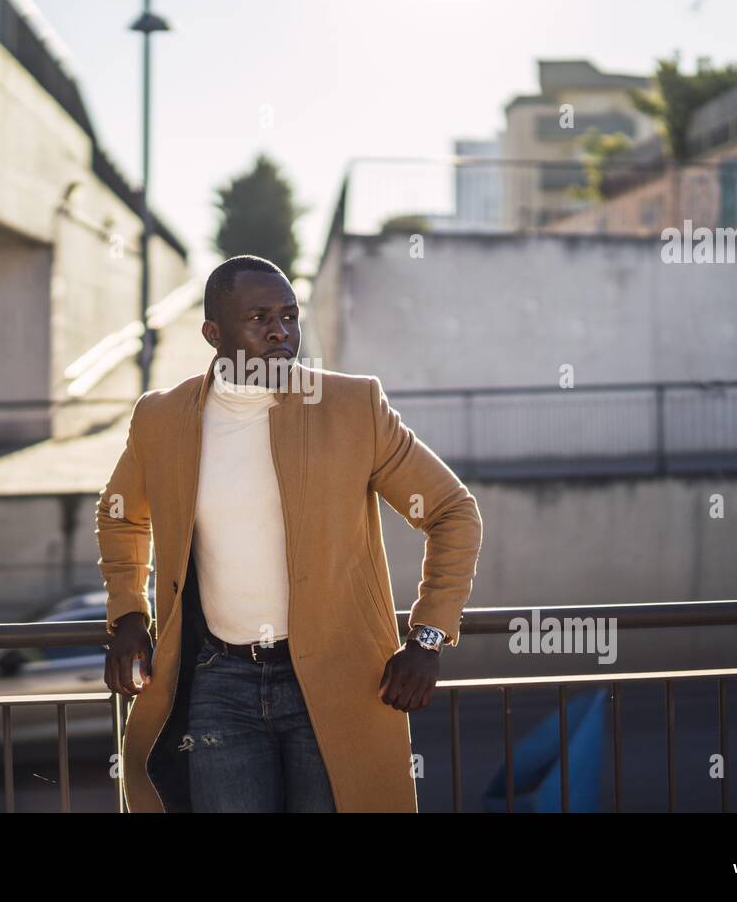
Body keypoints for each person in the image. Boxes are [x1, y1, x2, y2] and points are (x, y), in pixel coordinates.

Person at [97, 254, 482, 812]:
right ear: (212, 332)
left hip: (339, 680)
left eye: (289, 315)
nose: (280, 331)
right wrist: (130, 615)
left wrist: (427, 637)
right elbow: (119, 513)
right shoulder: (161, 417)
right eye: (258, 318)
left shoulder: (353, 407)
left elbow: (452, 511)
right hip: (216, 682)